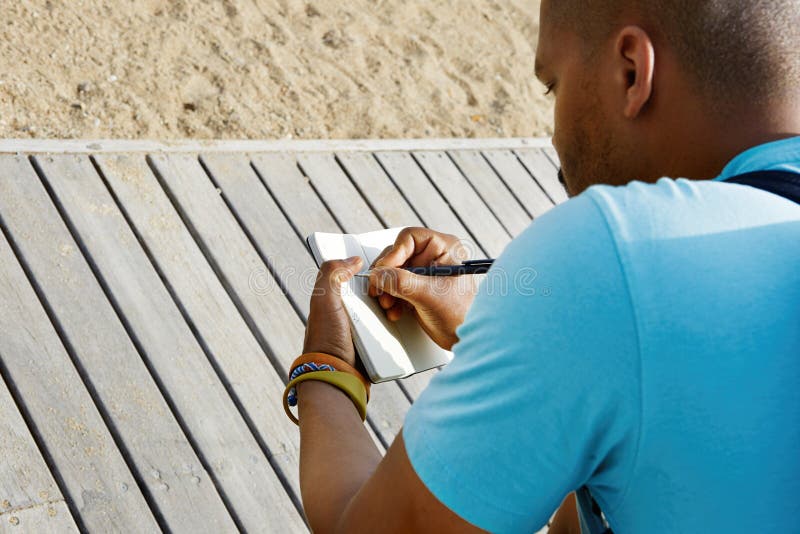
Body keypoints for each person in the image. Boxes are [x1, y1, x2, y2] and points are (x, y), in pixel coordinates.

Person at [291, 0, 800, 532]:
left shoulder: (614, 256)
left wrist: (326, 366)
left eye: (553, 85)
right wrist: (494, 328)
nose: (553, 137)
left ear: (631, 71)